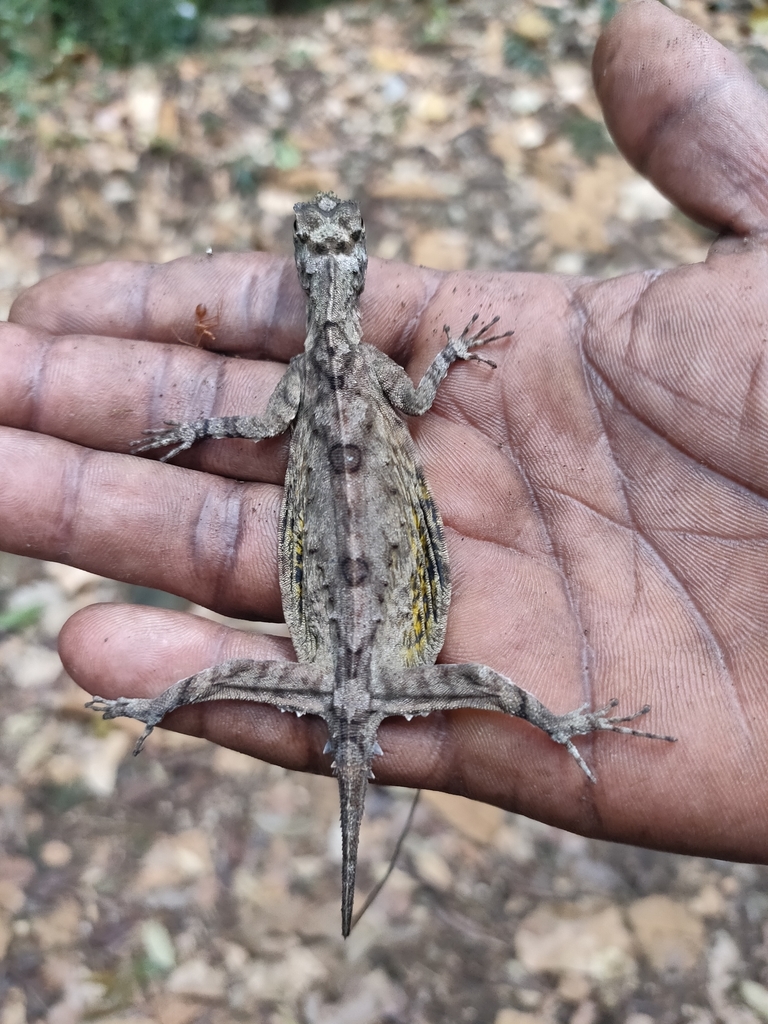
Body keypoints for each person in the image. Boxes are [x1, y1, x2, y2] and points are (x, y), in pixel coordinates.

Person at [2, 0, 767, 861]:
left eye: (326, 240)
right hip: (375, 650)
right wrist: (452, 357)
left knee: (237, 678)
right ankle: (563, 726)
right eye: (324, 239)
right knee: (474, 687)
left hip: (341, 652)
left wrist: (198, 428)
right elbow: (417, 401)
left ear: (318, 267)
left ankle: (154, 706)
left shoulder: (310, 373)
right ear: (355, 267)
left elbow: (261, 425)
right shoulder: (366, 364)